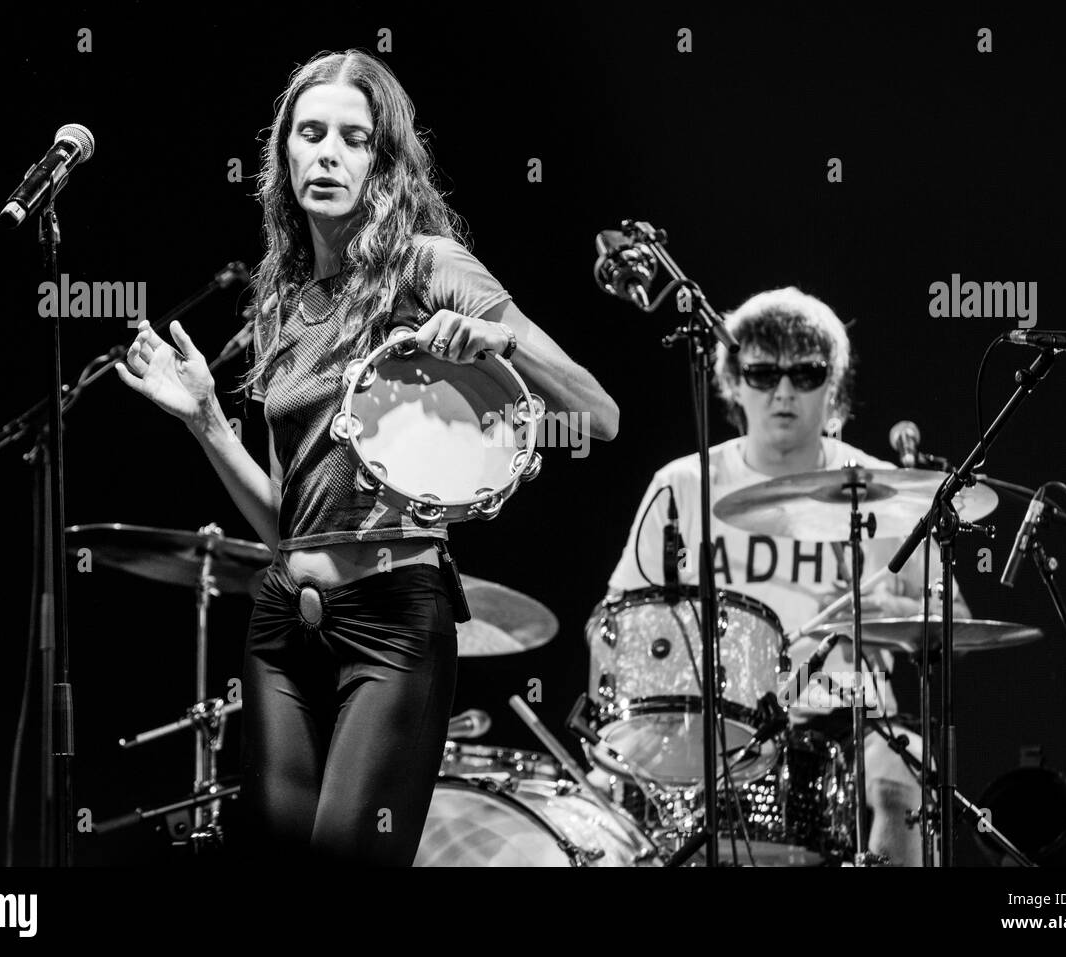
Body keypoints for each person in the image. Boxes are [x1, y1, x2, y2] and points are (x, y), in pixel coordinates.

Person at [116, 49, 618, 865]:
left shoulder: (428, 265)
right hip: (284, 622)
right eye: (310, 133)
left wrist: (501, 342)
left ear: (383, 163)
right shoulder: (280, 302)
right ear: (282, 154)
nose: (327, 154)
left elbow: (599, 416)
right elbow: (287, 524)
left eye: (353, 139)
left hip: (391, 619)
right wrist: (207, 420)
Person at [600, 286, 967, 866]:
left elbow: (957, 622)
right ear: (733, 382)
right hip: (715, 722)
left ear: (833, 386)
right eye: (764, 373)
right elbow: (616, 627)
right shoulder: (682, 484)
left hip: (849, 715)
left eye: (806, 373)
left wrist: (896, 614)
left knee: (906, 770)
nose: (785, 392)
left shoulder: (888, 491)